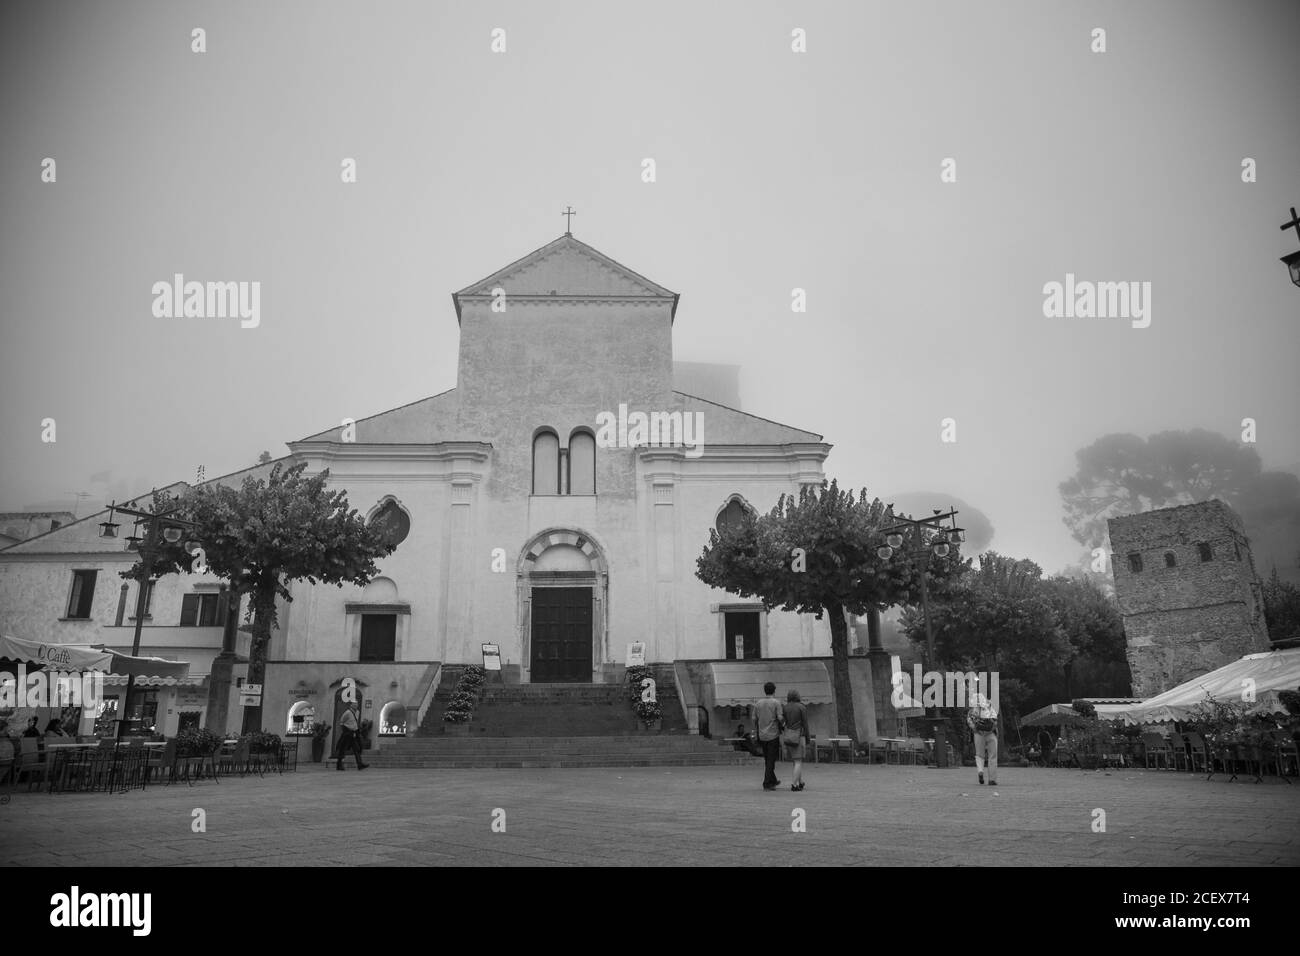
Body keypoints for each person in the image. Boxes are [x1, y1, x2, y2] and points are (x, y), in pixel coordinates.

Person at [753, 682, 784, 790]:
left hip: (762, 735)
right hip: (773, 734)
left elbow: (754, 719)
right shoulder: (776, 703)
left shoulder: (758, 703)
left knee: (767, 758)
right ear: (774, 690)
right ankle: (767, 783)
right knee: (771, 760)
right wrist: (783, 724)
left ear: (764, 690)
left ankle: (773, 780)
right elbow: (780, 718)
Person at [967, 692, 998, 786]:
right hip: (991, 734)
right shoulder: (989, 707)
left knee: (979, 755)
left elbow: (969, 722)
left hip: (978, 734)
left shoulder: (972, 711)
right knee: (992, 756)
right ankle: (992, 779)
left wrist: (976, 730)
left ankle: (980, 771)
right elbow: (995, 720)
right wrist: (990, 730)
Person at [781, 689, 810, 792]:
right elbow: (805, 723)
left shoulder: (785, 707)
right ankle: (794, 784)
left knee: (795, 760)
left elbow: (782, 722)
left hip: (789, 736)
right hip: (799, 735)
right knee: (798, 761)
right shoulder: (802, 707)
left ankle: (799, 782)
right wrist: (808, 737)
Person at [335, 703, 368, 771]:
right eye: (354, 705)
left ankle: (360, 764)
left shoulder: (358, 712)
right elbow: (341, 722)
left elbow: (355, 722)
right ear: (351, 706)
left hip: (354, 733)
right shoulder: (347, 713)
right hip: (347, 733)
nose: (356, 706)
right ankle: (339, 765)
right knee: (342, 749)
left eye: (356, 704)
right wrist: (346, 730)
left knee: (356, 749)